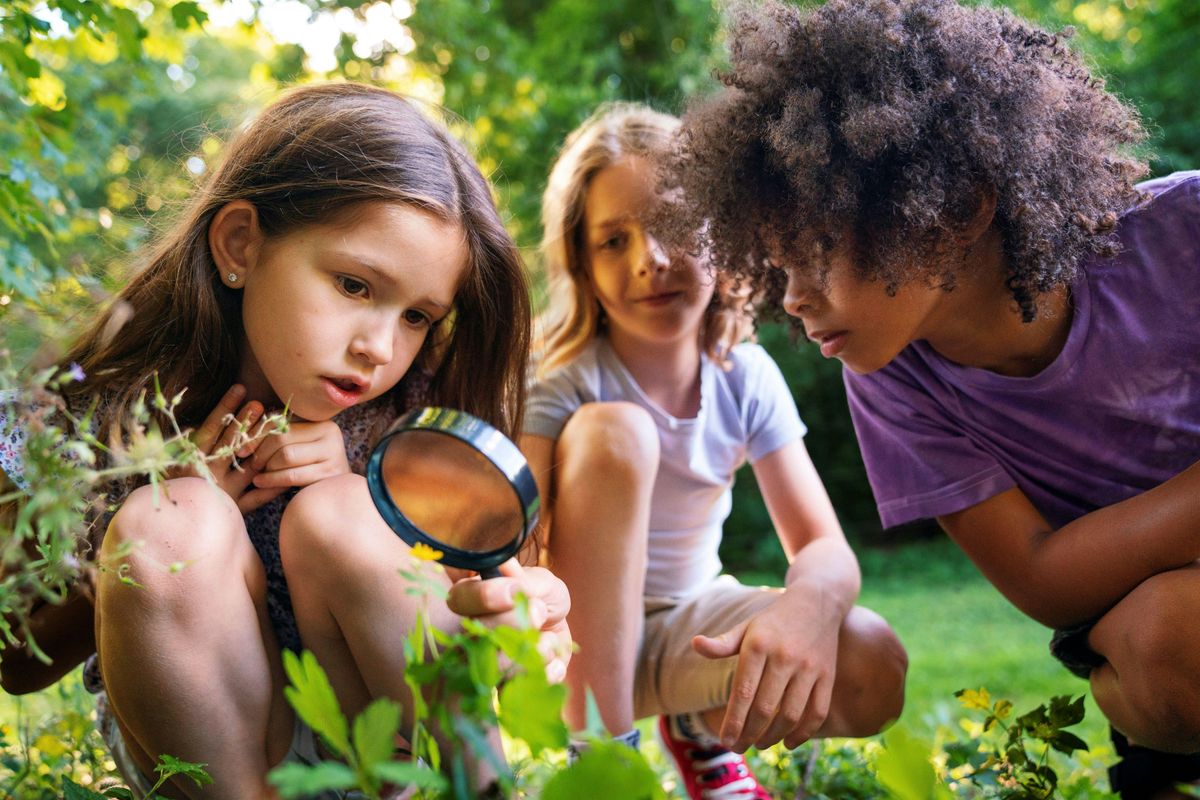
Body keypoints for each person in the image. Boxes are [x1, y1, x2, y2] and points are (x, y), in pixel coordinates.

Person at [663, 0, 1200, 797]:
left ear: (954, 209)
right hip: (1158, 640)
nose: (796, 298)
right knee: (1172, 633)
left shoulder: (1183, 233)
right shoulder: (890, 382)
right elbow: (1042, 580)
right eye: (778, 267)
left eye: (814, 253)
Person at [0, 82, 570, 800]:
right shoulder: (97, 408)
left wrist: (523, 618)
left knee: (339, 511)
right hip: (210, 748)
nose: (379, 346)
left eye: (419, 317)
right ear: (240, 244)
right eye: (355, 286)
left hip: (385, 748)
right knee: (168, 522)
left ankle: (481, 791)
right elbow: (14, 661)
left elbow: (485, 600)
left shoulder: (415, 418)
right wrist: (142, 522)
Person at [521, 103, 907, 800]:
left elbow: (825, 548)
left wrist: (804, 609)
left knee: (872, 659)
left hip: (687, 635)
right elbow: (516, 549)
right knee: (619, 431)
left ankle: (700, 726)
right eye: (613, 241)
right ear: (579, 262)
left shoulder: (745, 373)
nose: (651, 259)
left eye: (672, 223)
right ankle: (602, 757)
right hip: (573, 650)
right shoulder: (561, 378)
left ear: (719, 231)